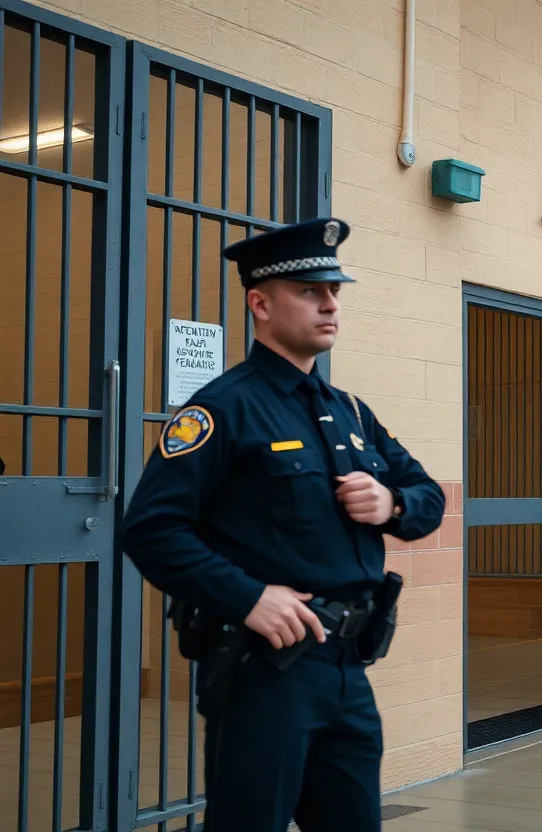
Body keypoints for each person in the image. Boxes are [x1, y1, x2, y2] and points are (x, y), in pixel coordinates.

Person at [121, 217, 446, 832]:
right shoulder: (223, 408)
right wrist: (248, 598)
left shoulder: (349, 410)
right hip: (267, 670)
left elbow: (427, 495)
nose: (330, 305)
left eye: (335, 292)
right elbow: (150, 529)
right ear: (260, 303)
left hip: (349, 668)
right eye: (310, 291)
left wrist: (392, 504)